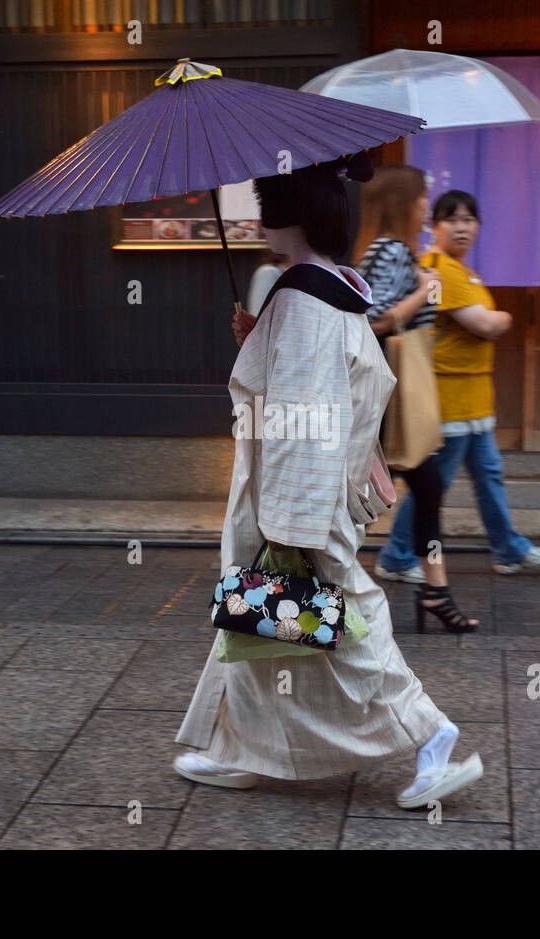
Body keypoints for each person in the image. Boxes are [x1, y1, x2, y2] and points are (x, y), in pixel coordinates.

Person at [173, 153, 483, 809]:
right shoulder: (333, 289)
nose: (259, 220)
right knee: (256, 617)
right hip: (305, 489)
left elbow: (303, 415)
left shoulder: (299, 299)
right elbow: (338, 386)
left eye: (267, 206)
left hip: (291, 497)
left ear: (287, 214)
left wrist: (295, 524)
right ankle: (236, 746)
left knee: (335, 621)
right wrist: (259, 342)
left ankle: (432, 737)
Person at [379, 189, 540, 576]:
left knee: (488, 476)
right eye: (452, 220)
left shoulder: (465, 272)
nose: (462, 228)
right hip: (447, 401)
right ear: (434, 226)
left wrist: (497, 320)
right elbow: (485, 325)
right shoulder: (437, 268)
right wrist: (505, 318)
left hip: (475, 400)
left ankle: (508, 548)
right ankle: (397, 555)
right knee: (432, 485)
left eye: (469, 220)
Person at [354, 164, 479, 632]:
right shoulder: (387, 250)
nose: (428, 206)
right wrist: (422, 291)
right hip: (390, 395)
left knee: (423, 489)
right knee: (372, 496)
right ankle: (426, 592)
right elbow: (372, 319)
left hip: (401, 391)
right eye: (423, 198)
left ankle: (434, 592)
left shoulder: (398, 251)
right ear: (403, 202)